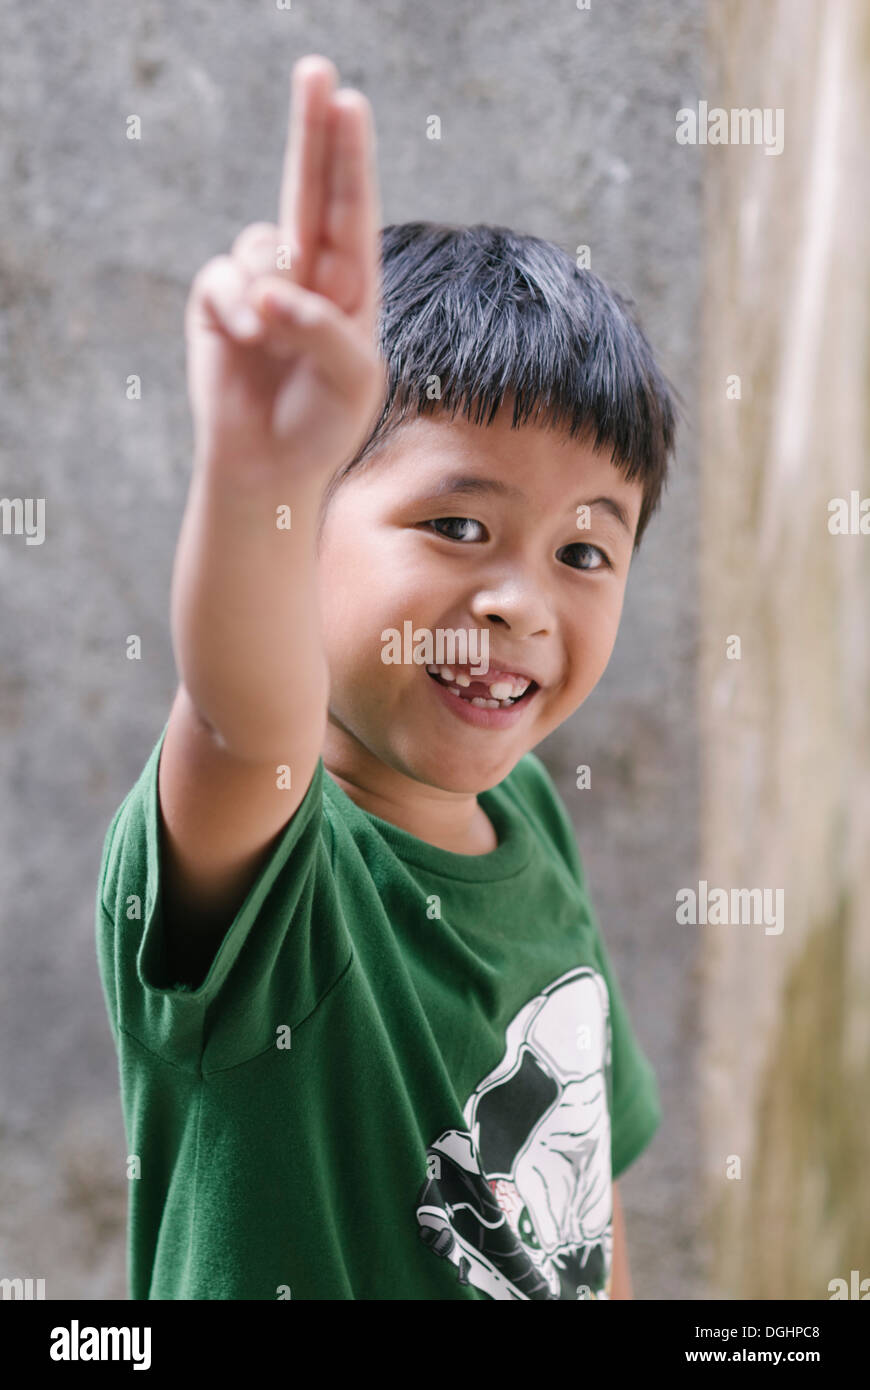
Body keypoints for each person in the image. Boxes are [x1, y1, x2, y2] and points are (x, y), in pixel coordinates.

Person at [95, 53, 677, 1301]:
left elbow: (586, 1218)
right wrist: (260, 476)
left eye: (584, 547)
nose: (520, 599)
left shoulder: (526, 821)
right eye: (458, 527)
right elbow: (244, 719)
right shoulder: (281, 866)